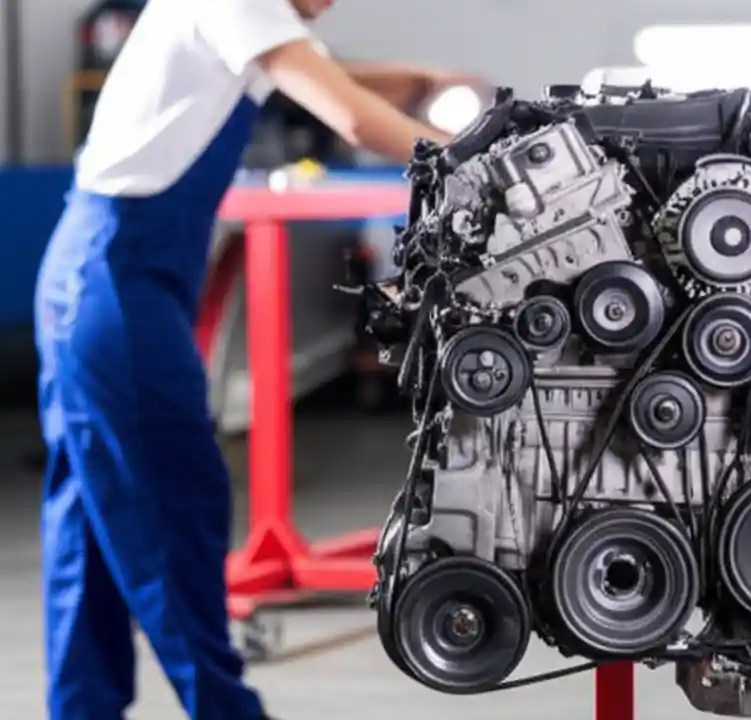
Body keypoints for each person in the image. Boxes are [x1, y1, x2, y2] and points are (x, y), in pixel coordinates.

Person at [32, 1, 482, 718]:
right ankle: (224, 708)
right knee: (172, 504)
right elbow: (355, 117)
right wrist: (488, 167)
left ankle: (82, 707)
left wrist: (425, 77)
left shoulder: (238, 22)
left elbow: (323, 72)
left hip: (88, 273)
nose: (330, 5)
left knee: (89, 516)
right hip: (117, 284)